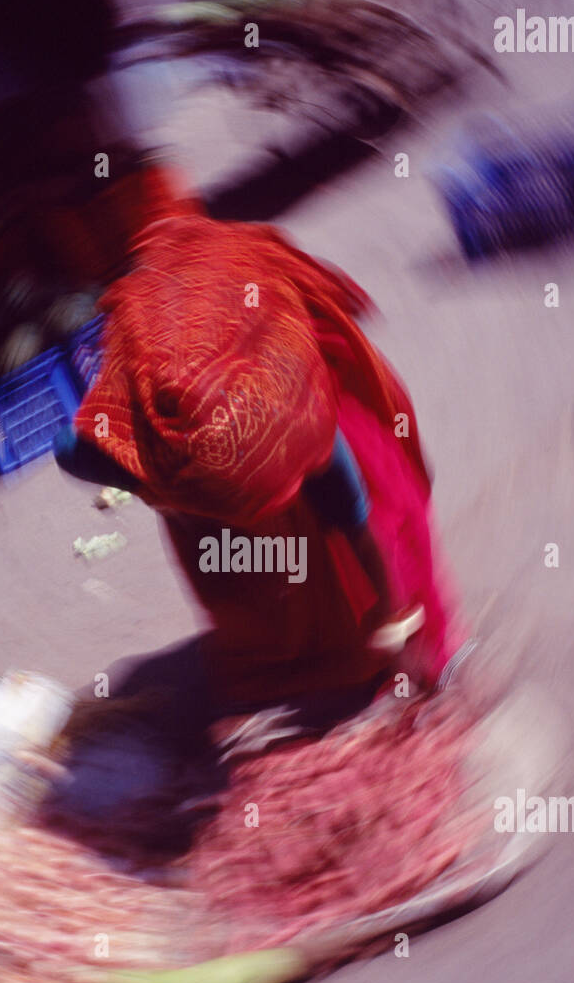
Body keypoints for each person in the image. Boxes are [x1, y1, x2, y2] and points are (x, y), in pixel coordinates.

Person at [55, 163, 460, 714]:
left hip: (259, 424)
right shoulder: (199, 290)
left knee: (286, 544)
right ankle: (371, 632)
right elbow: (328, 306)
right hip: (254, 425)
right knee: (319, 534)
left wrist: (160, 484)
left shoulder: (142, 315)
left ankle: (344, 640)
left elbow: (77, 451)